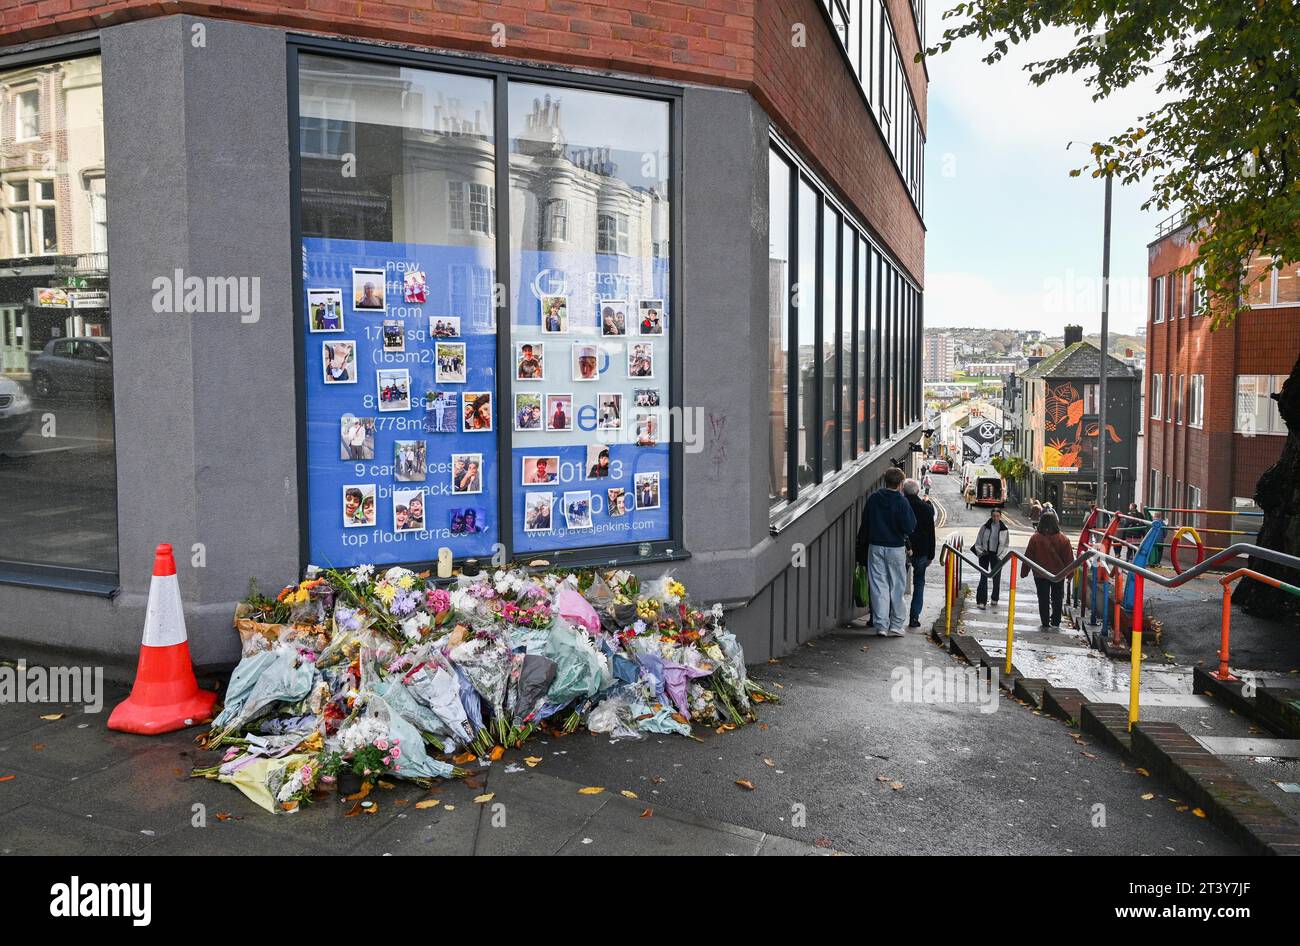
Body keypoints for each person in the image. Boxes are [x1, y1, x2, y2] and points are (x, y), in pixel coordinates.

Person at [855, 467, 917, 636]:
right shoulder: (901, 501)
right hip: (895, 547)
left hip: (875, 546)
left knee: (878, 586)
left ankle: (881, 625)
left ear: (885, 481)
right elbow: (910, 526)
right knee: (897, 586)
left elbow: (865, 524)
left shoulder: (874, 499)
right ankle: (896, 625)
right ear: (900, 484)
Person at [1020, 512, 1074, 628]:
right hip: (1058, 574)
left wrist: (1024, 572)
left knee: (1043, 598)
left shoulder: (1035, 538)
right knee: (1057, 598)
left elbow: (1028, 556)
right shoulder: (1063, 539)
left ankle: (1045, 622)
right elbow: (1069, 559)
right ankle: (1056, 621)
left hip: (1040, 574)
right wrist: (1070, 575)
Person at [903, 478, 935, 628]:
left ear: (903, 490)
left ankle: (891, 615)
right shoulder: (926, 509)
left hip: (902, 550)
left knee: (896, 583)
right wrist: (931, 554)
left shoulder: (901, 505)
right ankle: (914, 617)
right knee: (919, 583)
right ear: (917, 491)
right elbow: (931, 533)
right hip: (922, 551)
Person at [972, 507, 1010, 609]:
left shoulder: (1004, 529)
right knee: (983, 577)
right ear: (991, 516)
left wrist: (1001, 556)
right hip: (985, 553)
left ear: (1000, 516)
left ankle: (995, 598)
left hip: (996, 555)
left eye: (997, 516)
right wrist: (980, 551)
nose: (995, 518)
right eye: (994, 516)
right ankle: (981, 601)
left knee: (996, 577)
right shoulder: (985, 527)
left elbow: (1006, 545)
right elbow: (978, 541)